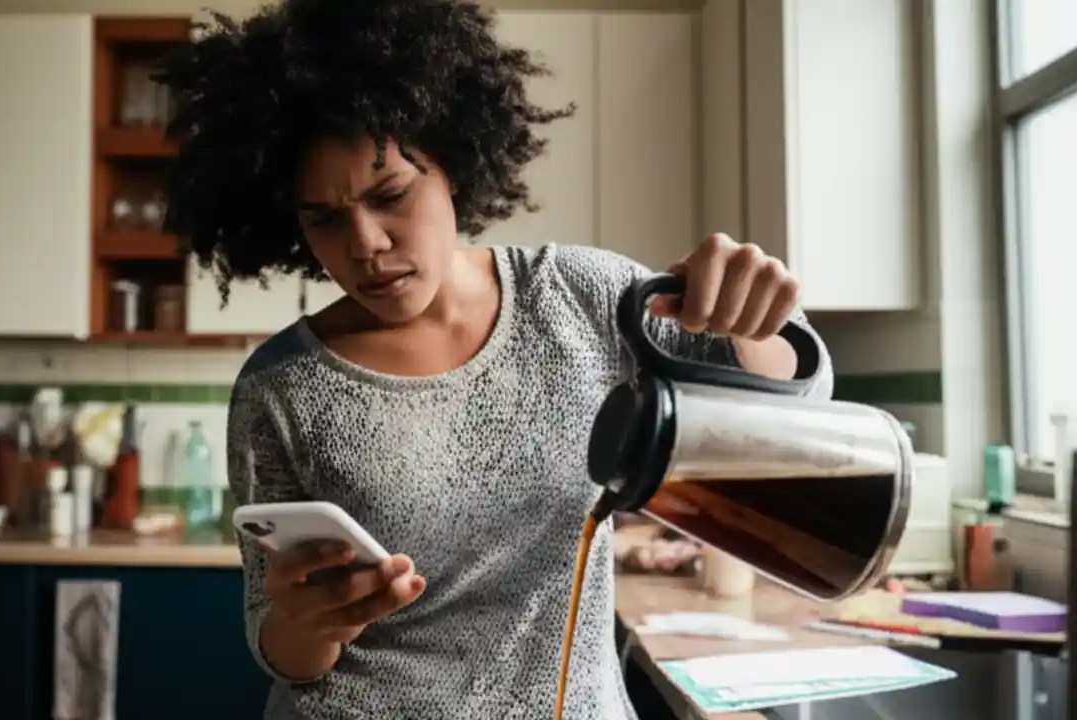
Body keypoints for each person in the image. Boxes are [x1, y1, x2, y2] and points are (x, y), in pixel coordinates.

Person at [160, 1, 833, 717]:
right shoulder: (281, 387)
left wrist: (756, 314)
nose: (364, 243)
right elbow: (279, 646)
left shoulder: (582, 297)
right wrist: (308, 624)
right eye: (323, 217)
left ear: (452, 161)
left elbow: (801, 401)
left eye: (391, 195)